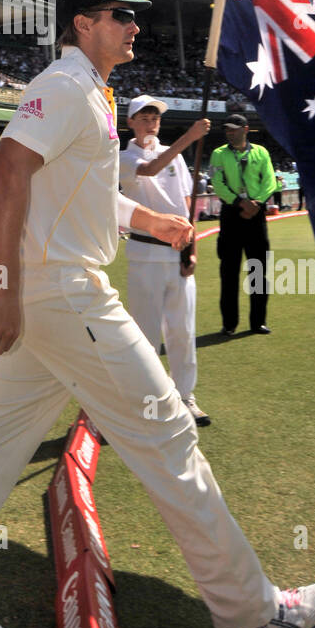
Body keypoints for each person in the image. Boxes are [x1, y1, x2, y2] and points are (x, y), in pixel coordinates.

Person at [0, 0, 315, 628]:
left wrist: (148, 219)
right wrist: (4, 286)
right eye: (118, 15)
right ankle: (248, 614)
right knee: (167, 436)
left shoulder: (91, 93)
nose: (133, 26)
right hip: (65, 295)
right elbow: (6, 175)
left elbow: (83, 193)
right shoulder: (66, 86)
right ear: (80, 25)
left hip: (55, 295)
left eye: (134, 15)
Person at [119, 96, 211, 426]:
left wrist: (193, 250)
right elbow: (149, 170)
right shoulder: (123, 157)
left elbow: (188, 206)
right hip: (145, 255)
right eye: (144, 116)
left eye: (155, 116)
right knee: (144, 334)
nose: (151, 121)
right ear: (131, 122)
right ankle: (147, 401)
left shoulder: (176, 156)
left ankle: (185, 397)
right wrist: (189, 138)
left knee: (183, 331)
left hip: (178, 256)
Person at [210, 114, 278, 335]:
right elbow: (218, 184)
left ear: (245, 129)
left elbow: (269, 181)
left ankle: (258, 322)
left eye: (234, 129)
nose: (230, 133)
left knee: (258, 270)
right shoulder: (218, 154)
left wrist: (256, 202)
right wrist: (240, 203)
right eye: (227, 130)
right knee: (228, 272)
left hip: (256, 216)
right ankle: (229, 324)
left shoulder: (261, 152)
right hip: (231, 215)